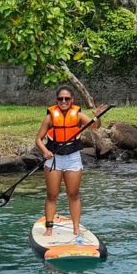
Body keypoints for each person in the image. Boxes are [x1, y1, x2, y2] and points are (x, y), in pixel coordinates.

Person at [34, 82, 105, 243]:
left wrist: (97, 116)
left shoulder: (78, 115)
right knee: (52, 195)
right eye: (61, 99)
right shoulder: (50, 117)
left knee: (73, 194)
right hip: (54, 159)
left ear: (72, 100)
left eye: (67, 98)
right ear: (57, 100)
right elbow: (38, 139)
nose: (64, 101)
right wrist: (45, 151)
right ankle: (49, 228)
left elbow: (95, 126)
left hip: (73, 158)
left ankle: (76, 228)